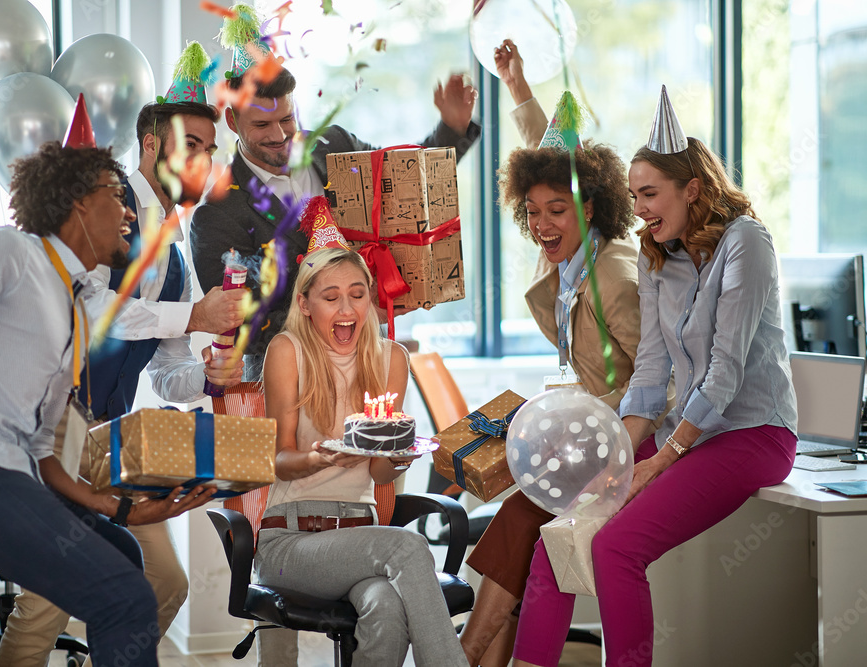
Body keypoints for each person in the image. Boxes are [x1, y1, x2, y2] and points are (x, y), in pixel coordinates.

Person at [0, 140, 219, 667]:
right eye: (118, 195)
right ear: (80, 203)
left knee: (125, 554)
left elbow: (43, 451)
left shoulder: (77, 302)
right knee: (125, 598)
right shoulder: (9, 250)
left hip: (12, 471)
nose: (131, 212)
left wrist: (123, 509)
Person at [512, 90, 798, 667]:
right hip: (681, 433)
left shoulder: (745, 242)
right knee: (559, 529)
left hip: (751, 434)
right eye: (636, 196)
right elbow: (650, 370)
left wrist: (660, 458)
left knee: (617, 547)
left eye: (650, 194)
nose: (639, 208)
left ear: (691, 188)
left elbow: (724, 372)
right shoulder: (654, 252)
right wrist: (617, 452)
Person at [0, 97, 245, 665]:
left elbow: (165, 371)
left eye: (210, 150)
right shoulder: (102, 207)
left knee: (164, 582)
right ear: (151, 145)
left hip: (113, 439)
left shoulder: (177, 260)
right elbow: (94, 307)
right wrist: (194, 316)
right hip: (52, 427)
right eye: (191, 146)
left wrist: (207, 377)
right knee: (46, 602)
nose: (203, 161)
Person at [459, 88, 671, 667]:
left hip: (635, 440)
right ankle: (466, 656)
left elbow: (662, 381)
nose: (542, 223)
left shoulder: (614, 278)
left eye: (558, 210)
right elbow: (546, 164)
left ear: (591, 209)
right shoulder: (567, 261)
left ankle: (460, 655)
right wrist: (521, 90)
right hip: (592, 435)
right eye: (532, 211)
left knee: (523, 519)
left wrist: (585, 414)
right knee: (517, 521)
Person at [190, 65, 481, 380]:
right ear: (232, 121)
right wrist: (354, 311)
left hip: (369, 363)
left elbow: (402, 181)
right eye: (261, 124)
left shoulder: (334, 144)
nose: (278, 135)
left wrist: (452, 127)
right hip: (287, 379)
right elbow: (245, 325)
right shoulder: (216, 215)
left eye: (286, 119)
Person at [256, 246, 470, 667]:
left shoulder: (391, 358)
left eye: (357, 294)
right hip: (291, 543)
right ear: (305, 303)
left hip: (362, 538)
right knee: (409, 547)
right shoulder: (287, 350)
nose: (347, 308)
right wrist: (317, 459)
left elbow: (379, 472)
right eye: (330, 297)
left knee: (388, 610)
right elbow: (277, 460)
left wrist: (399, 456)